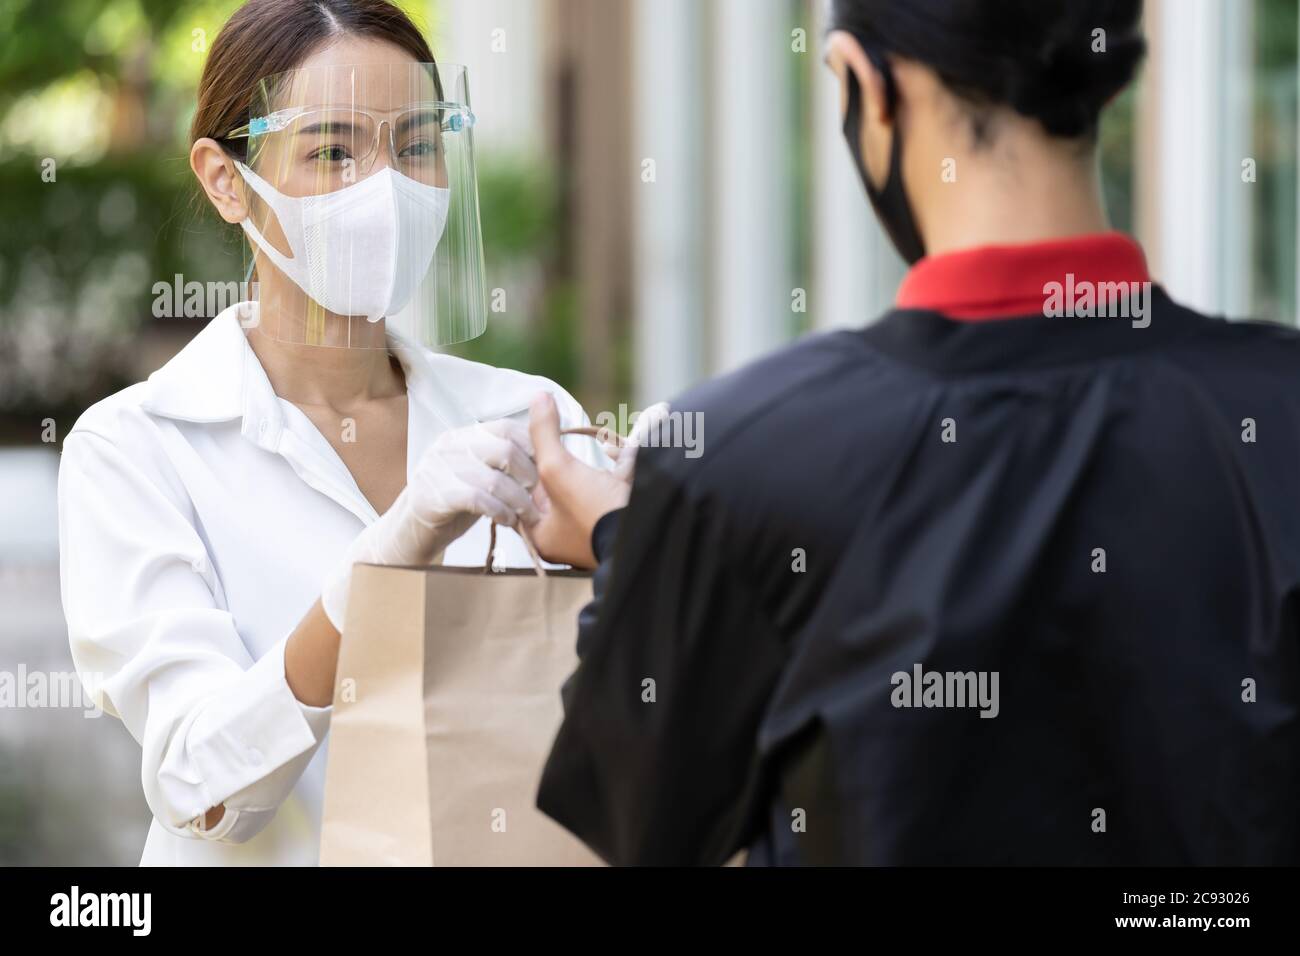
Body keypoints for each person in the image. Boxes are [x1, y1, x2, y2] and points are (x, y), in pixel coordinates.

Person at [525, 0, 1300, 865]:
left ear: (869, 84)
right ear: (1102, 78)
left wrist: (633, 538)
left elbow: (647, 823)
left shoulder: (745, 456)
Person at [57, 0, 602, 866]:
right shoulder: (137, 449)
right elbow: (201, 786)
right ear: (226, 179)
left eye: (418, 144)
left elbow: (632, 723)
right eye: (333, 150)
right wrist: (378, 568)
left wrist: (650, 541)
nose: (385, 186)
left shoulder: (529, 419)